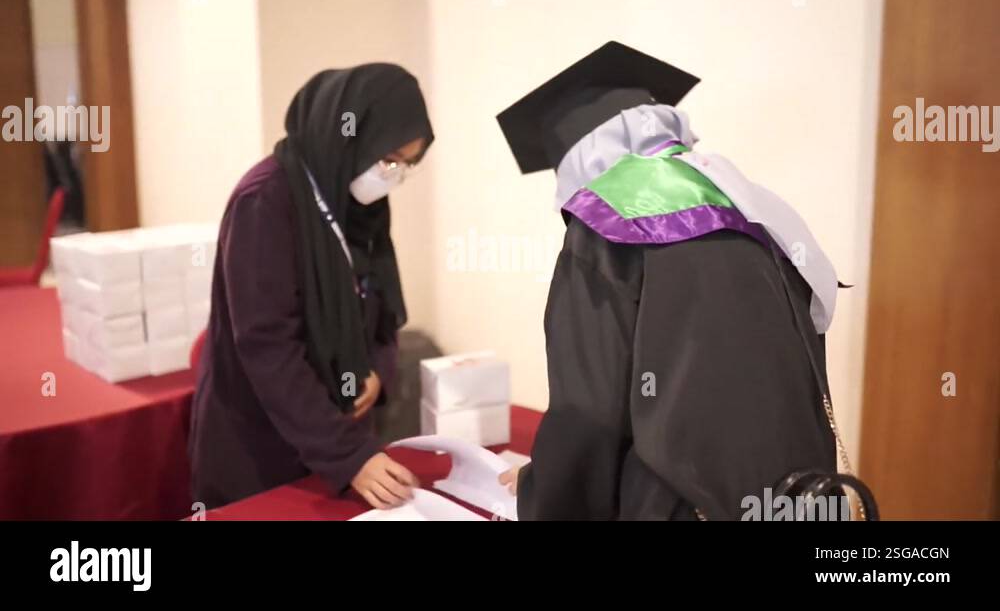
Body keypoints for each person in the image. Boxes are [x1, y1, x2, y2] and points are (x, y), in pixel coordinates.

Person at [495, 42, 845, 520]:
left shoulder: (605, 226)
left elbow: (590, 416)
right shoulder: (757, 211)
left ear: (582, 159)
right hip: (799, 497)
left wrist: (542, 490)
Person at [189, 64, 433, 510]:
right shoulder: (265, 201)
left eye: (407, 164)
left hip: (337, 438)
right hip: (262, 446)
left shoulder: (358, 203)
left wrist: (377, 370)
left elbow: (380, 304)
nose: (394, 175)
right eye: (389, 159)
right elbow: (267, 345)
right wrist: (349, 454)